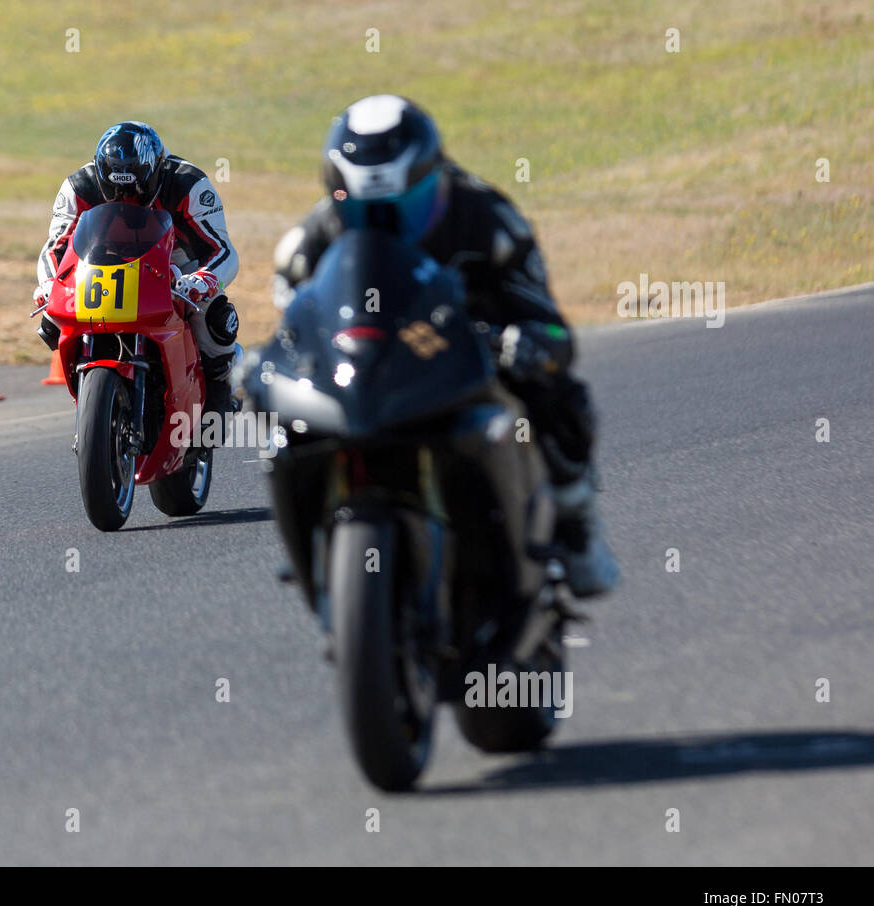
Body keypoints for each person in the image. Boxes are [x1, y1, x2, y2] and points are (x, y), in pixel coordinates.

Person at [272, 94, 620, 598]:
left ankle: (577, 523)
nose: (385, 224)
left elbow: (551, 327)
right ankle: (311, 537)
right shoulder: (312, 238)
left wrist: (527, 341)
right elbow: (296, 321)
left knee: (556, 396)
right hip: (368, 371)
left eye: (402, 207)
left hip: (469, 359)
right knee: (283, 420)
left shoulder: (489, 220)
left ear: (433, 180)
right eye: (366, 212)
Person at [34, 121, 240, 416]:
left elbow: (223, 249)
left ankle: (218, 396)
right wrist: (49, 283)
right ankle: (91, 399)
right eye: (115, 189)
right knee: (51, 324)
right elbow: (55, 246)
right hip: (101, 261)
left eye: (134, 189)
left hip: (175, 264)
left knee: (216, 320)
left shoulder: (188, 184)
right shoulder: (78, 186)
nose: (124, 197)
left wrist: (203, 280)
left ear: (156, 171)